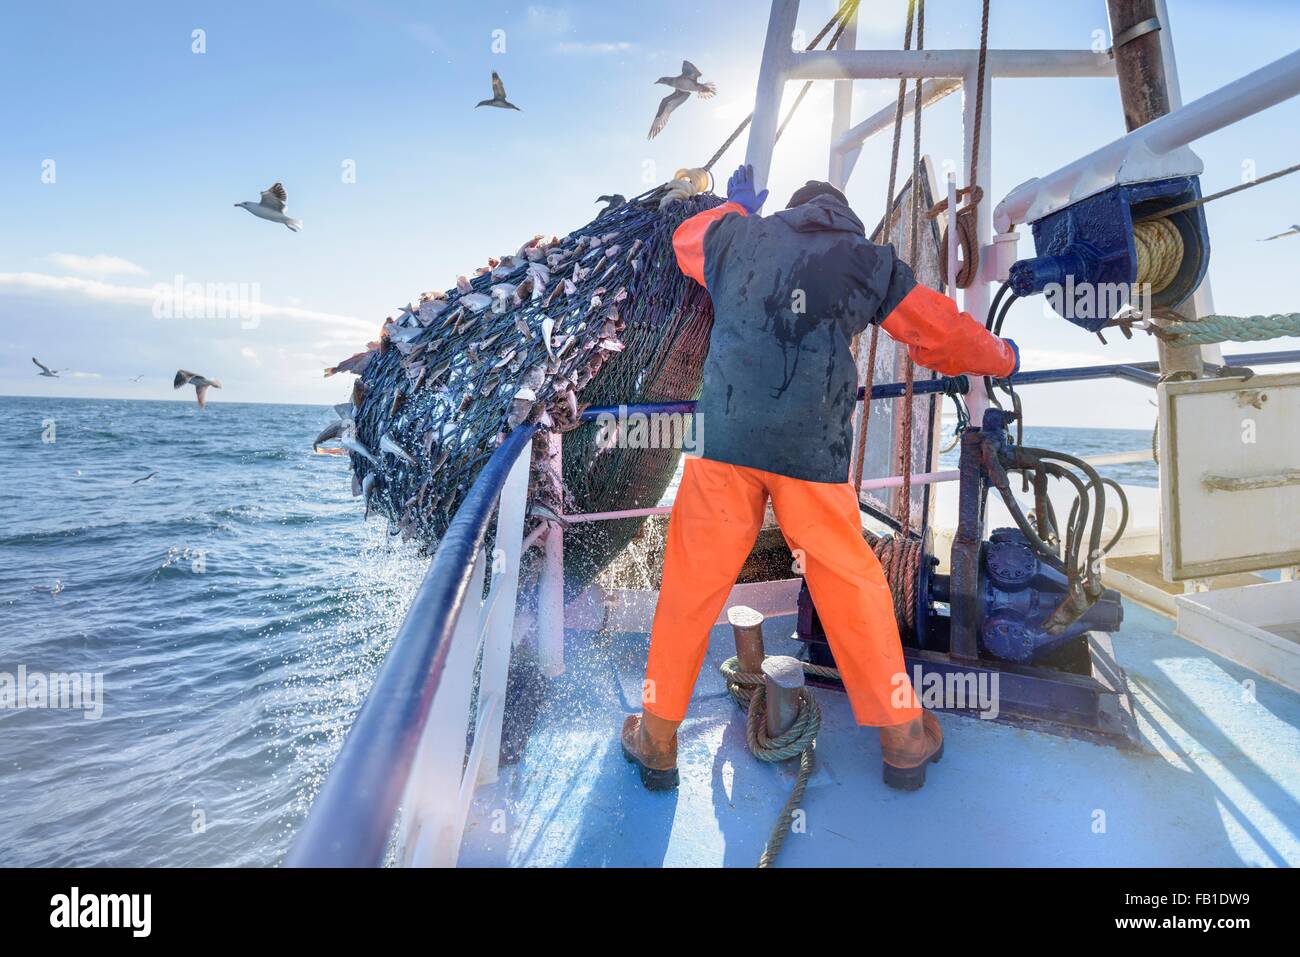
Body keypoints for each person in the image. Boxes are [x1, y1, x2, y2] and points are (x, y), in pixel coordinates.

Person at [621, 164, 1020, 792]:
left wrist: (736, 209)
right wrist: (1003, 356)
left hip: (724, 444)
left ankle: (658, 738)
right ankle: (902, 738)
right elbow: (938, 333)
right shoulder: (866, 260)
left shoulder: (736, 238)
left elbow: (684, 239)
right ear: (847, 222)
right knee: (852, 586)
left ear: (790, 213)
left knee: (690, 590)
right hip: (813, 454)